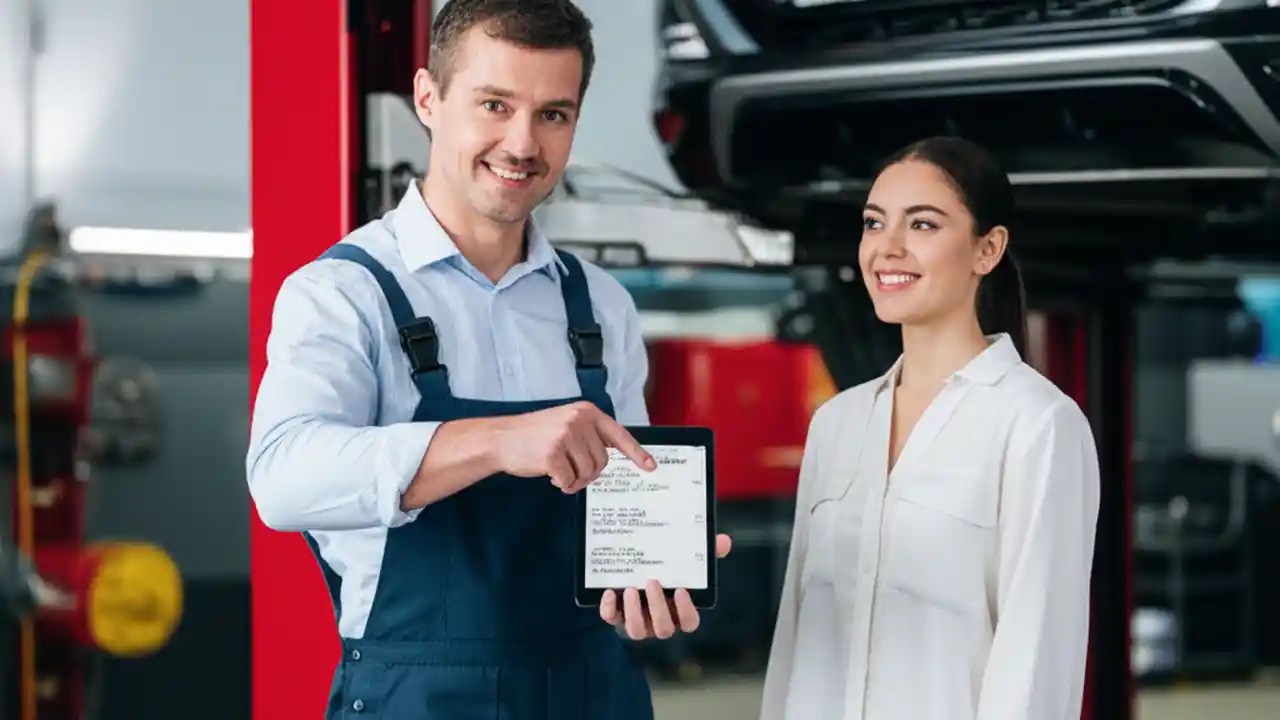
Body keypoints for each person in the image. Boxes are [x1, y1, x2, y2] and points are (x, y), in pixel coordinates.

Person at [245, 1, 729, 718]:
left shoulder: (601, 306)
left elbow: (623, 504)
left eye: (553, 114)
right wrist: (500, 442)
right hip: (421, 699)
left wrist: (649, 575)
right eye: (494, 105)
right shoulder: (344, 293)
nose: (523, 143)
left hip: (593, 693)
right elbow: (282, 479)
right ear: (428, 99)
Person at [759, 136, 1101, 720]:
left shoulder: (1037, 424)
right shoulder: (837, 424)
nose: (887, 248)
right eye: (874, 223)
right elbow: (795, 639)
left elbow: (1035, 660)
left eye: (922, 225)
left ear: (987, 250)